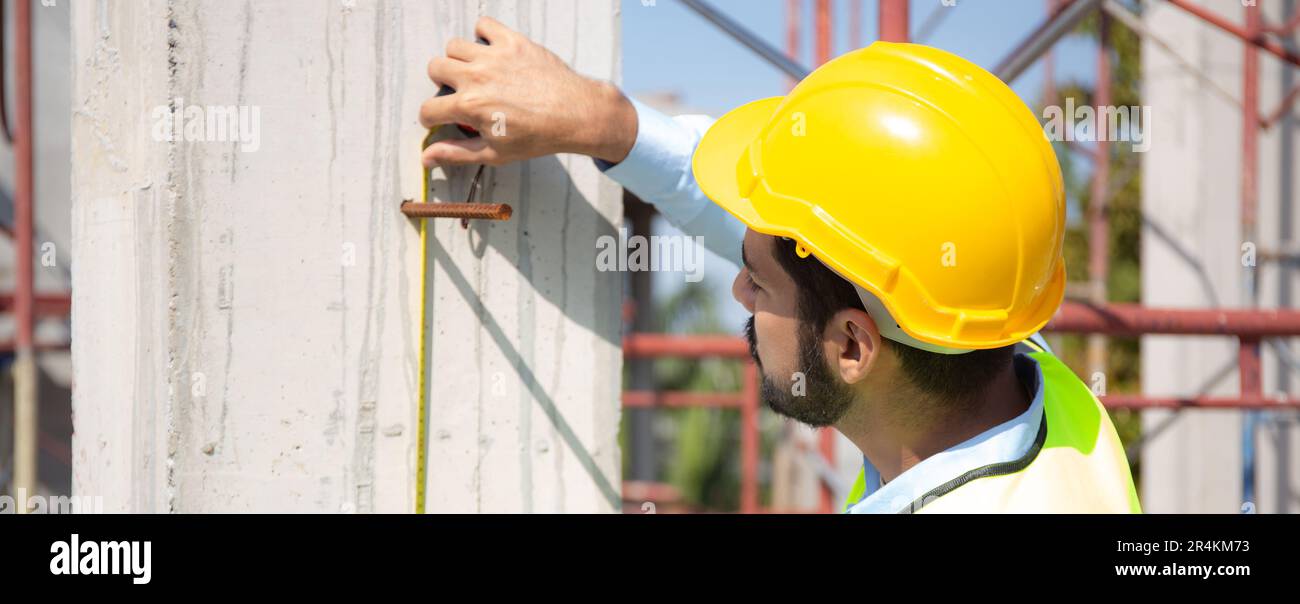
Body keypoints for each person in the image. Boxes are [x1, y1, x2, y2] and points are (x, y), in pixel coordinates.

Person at [419, 17, 1140, 514]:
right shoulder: (1000, 354)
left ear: (854, 345)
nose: (734, 285)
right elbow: (838, 250)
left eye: (756, 283)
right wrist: (608, 122)